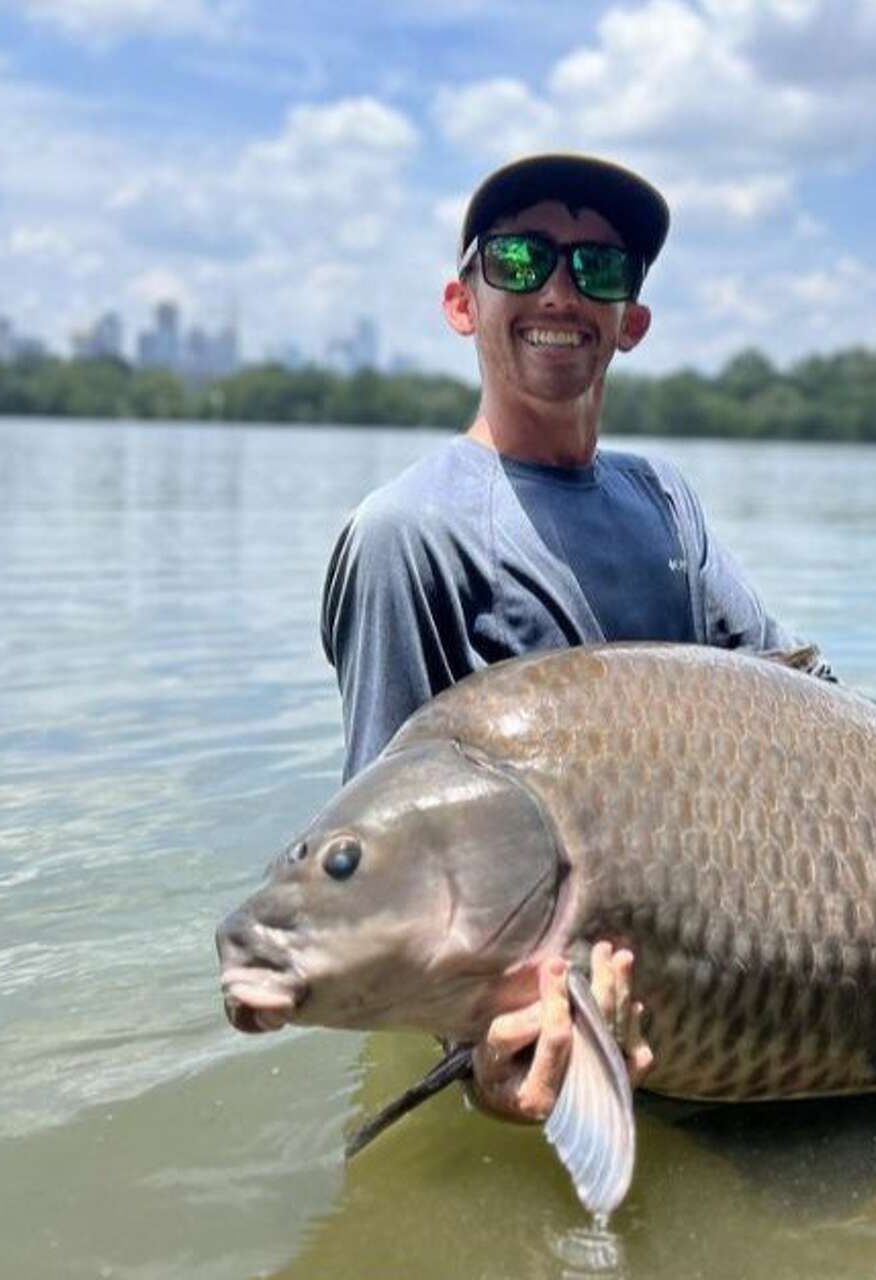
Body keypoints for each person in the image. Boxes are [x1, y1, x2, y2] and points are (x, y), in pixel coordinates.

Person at [319, 153, 829, 1125]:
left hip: (749, 998)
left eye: (598, 269)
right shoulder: (409, 534)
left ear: (630, 319)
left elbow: (807, 703)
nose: (559, 287)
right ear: (461, 303)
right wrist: (479, 1057)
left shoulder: (663, 499)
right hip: (571, 1041)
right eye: (520, 257)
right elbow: (385, 868)